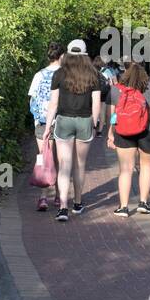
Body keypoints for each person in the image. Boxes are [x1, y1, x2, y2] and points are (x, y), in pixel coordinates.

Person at [42, 44, 101, 222]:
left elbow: (53, 103)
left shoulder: (58, 74)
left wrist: (47, 128)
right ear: (85, 55)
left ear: (66, 55)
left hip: (64, 121)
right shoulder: (93, 75)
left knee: (65, 164)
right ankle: (77, 203)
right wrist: (95, 123)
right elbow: (96, 102)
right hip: (84, 121)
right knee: (80, 164)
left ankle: (62, 208)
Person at [107, 59, 150, 216]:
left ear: (125, 68)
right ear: (144, 67)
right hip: (149, 130)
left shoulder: (117, 88)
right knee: (146, 166)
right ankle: (143, 203)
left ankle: (123, 207)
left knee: (125, 169)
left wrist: (110, 133)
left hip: (123, 130)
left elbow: (113, 114)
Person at [27, 42, 63, 211]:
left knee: (43, 157)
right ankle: (58, 195)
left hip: (41, 122)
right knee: (58, 159)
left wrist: (36, 119)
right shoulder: (65, 75)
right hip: (61, 121)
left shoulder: (39, 75)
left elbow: (32, 100)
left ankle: (43, 197)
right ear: (61, 56)